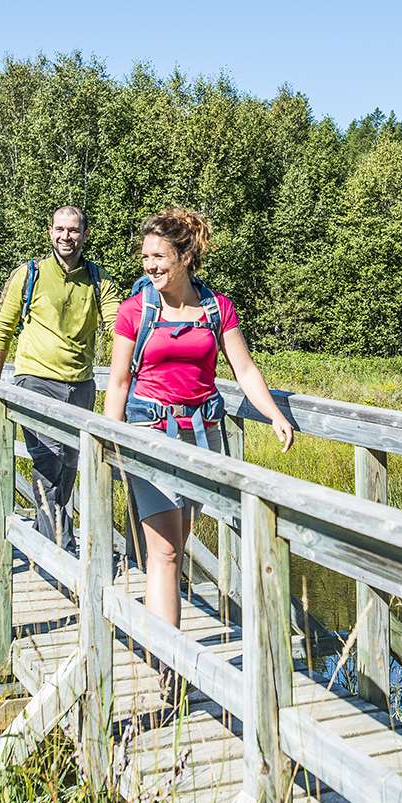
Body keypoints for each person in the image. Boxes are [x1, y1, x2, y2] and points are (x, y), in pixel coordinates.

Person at [104, 207, 294, 633]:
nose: (151, 265)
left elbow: (244, 370)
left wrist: (275, 414)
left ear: (185, 257)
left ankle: (166, 647)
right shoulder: (135, 310)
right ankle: (166, 661)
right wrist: (108, 440)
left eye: (160, 257)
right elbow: (118, 382)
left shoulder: (216, 309)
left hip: (203, 436)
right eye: (146, 257)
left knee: (180, 541)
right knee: (165, 551)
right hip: (147, 432)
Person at [0, 205, 123, 553]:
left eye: (74, 230)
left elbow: (119, 324)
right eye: (60, 229)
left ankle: (41, 535)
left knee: (68, 466)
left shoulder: (97, 279)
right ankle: (61, 549)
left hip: (80, 384)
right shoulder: (29, 274)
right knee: (48, 464)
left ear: (85, 234)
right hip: (35, 382)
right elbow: (2, 329)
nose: (67, 236)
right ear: (50, 232)